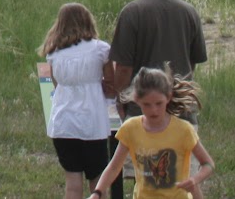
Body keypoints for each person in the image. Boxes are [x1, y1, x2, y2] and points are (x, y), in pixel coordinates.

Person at [88, 67, 214, 199]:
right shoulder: (130, 128)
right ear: (137, 100)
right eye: (147, 104)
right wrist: (97, 193)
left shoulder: (184, 130)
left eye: (159, 103)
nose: (154, 110)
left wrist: (195, 180)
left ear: (168, 97)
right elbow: (114, 167)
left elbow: (208, 164)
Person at [105, 0, 207, 119]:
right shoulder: (189, 11)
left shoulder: (132, 12)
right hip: (181, 106)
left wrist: (121, 99)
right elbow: (192, 61)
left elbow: (124, 68)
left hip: (142, 108)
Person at [41, 3, 114, 199]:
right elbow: (110, 84)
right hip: (92, 122)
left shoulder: (53, 53)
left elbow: (57, 86)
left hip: (63, 122)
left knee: (72, 184)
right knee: (98, 184)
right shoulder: (101, 49)